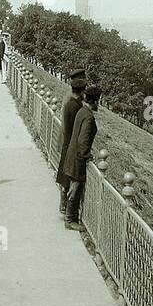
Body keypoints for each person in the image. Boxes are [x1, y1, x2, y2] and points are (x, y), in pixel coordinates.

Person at [60, 83, 101, 229]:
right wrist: (87, 155)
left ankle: (70, 218)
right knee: (75, 190)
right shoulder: (89, 117)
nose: (98, 105)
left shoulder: (81, 111)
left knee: (72, 189)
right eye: (98, 101)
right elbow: (83, 141)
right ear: (94, 101)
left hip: (72, 156)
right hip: (78, 160)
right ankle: (70, 220)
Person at [56, 70, 87, 216]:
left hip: (67, 140)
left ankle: (64, 205)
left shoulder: (70, 96)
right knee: (67, 175)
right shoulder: (72, 101)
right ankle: (65, 207)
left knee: (65, 173)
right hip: (68, 141)